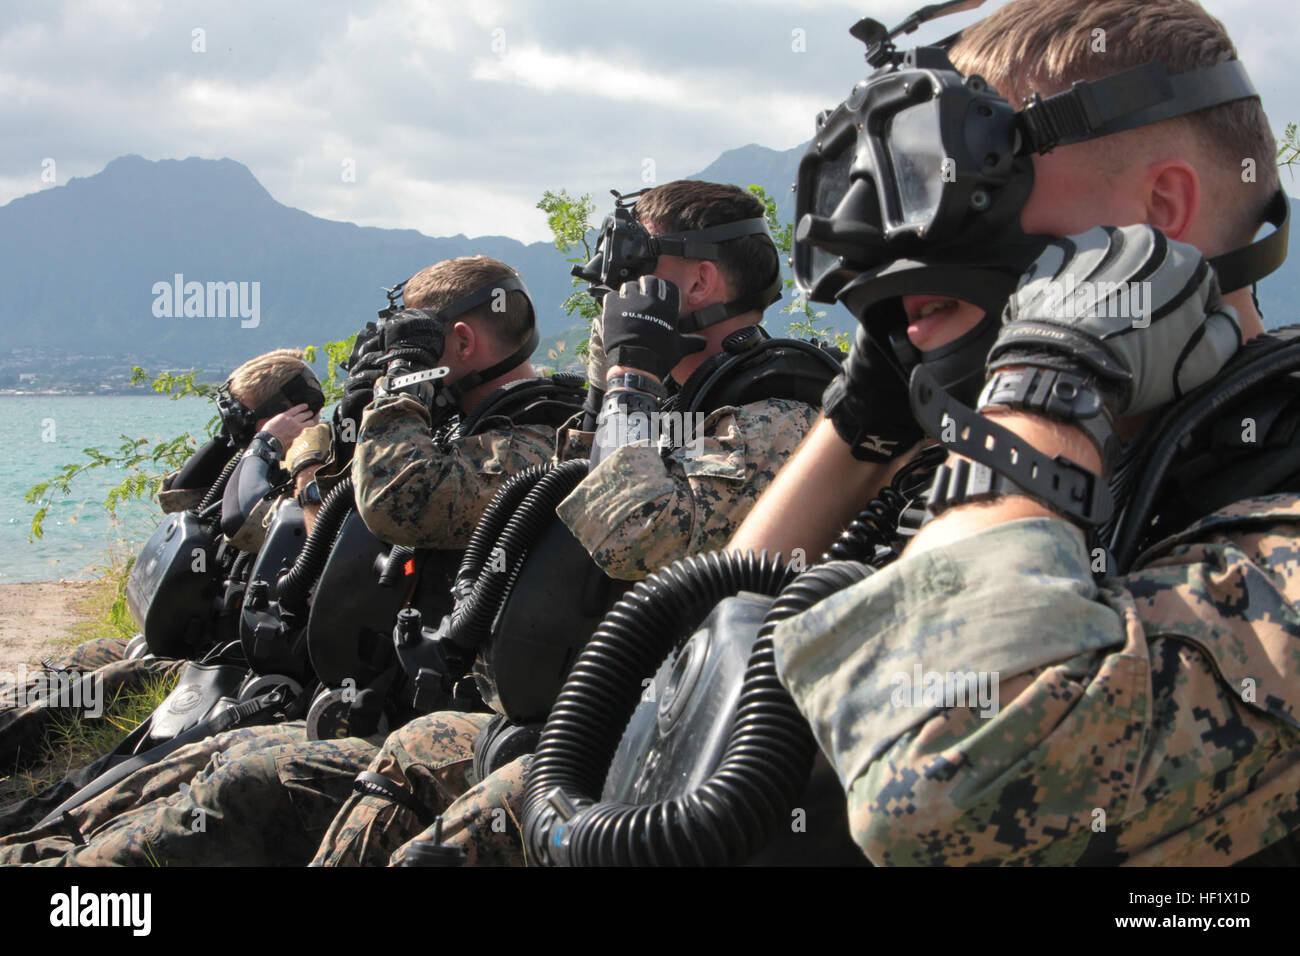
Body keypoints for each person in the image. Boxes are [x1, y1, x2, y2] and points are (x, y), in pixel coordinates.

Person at [3, 181, 829, 866]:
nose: (608, 302)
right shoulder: (657, 411)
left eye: (628, 275)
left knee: (258, 789)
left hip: (647, 754)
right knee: (222, 774)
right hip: (541, 714)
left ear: (696, 286)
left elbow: (633, 530)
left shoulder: (778, 414)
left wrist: (631, 383)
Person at [733, 0, 1300, 865]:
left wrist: (1045, 377)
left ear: (1161, 211)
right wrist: (859, 430)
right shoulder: (1031, 475)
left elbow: (940, 789)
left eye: (969, 173)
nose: (906, 240)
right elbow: (705, 699)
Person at [0, 253, 577, 864]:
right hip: (373, 699)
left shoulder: (538, 439)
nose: (396, 363)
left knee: (238, 782)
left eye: (413, 344)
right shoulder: (455, 431)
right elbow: (331, 518)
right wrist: (353, 420)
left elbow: (397, 501)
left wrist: (397, 387)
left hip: (441, 733)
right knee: (204, 760)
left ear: (459, 341)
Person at [0, 350, 324, 821]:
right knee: (76, 664)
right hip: (190, 638)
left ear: (283, 411)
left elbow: (246, 523)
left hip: (229, 665)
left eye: (243, 413)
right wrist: (231, 440)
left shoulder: (314, 461)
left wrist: (266, 447)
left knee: (109, 689)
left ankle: (26, 816)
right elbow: (179, 500)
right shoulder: (254, 460)